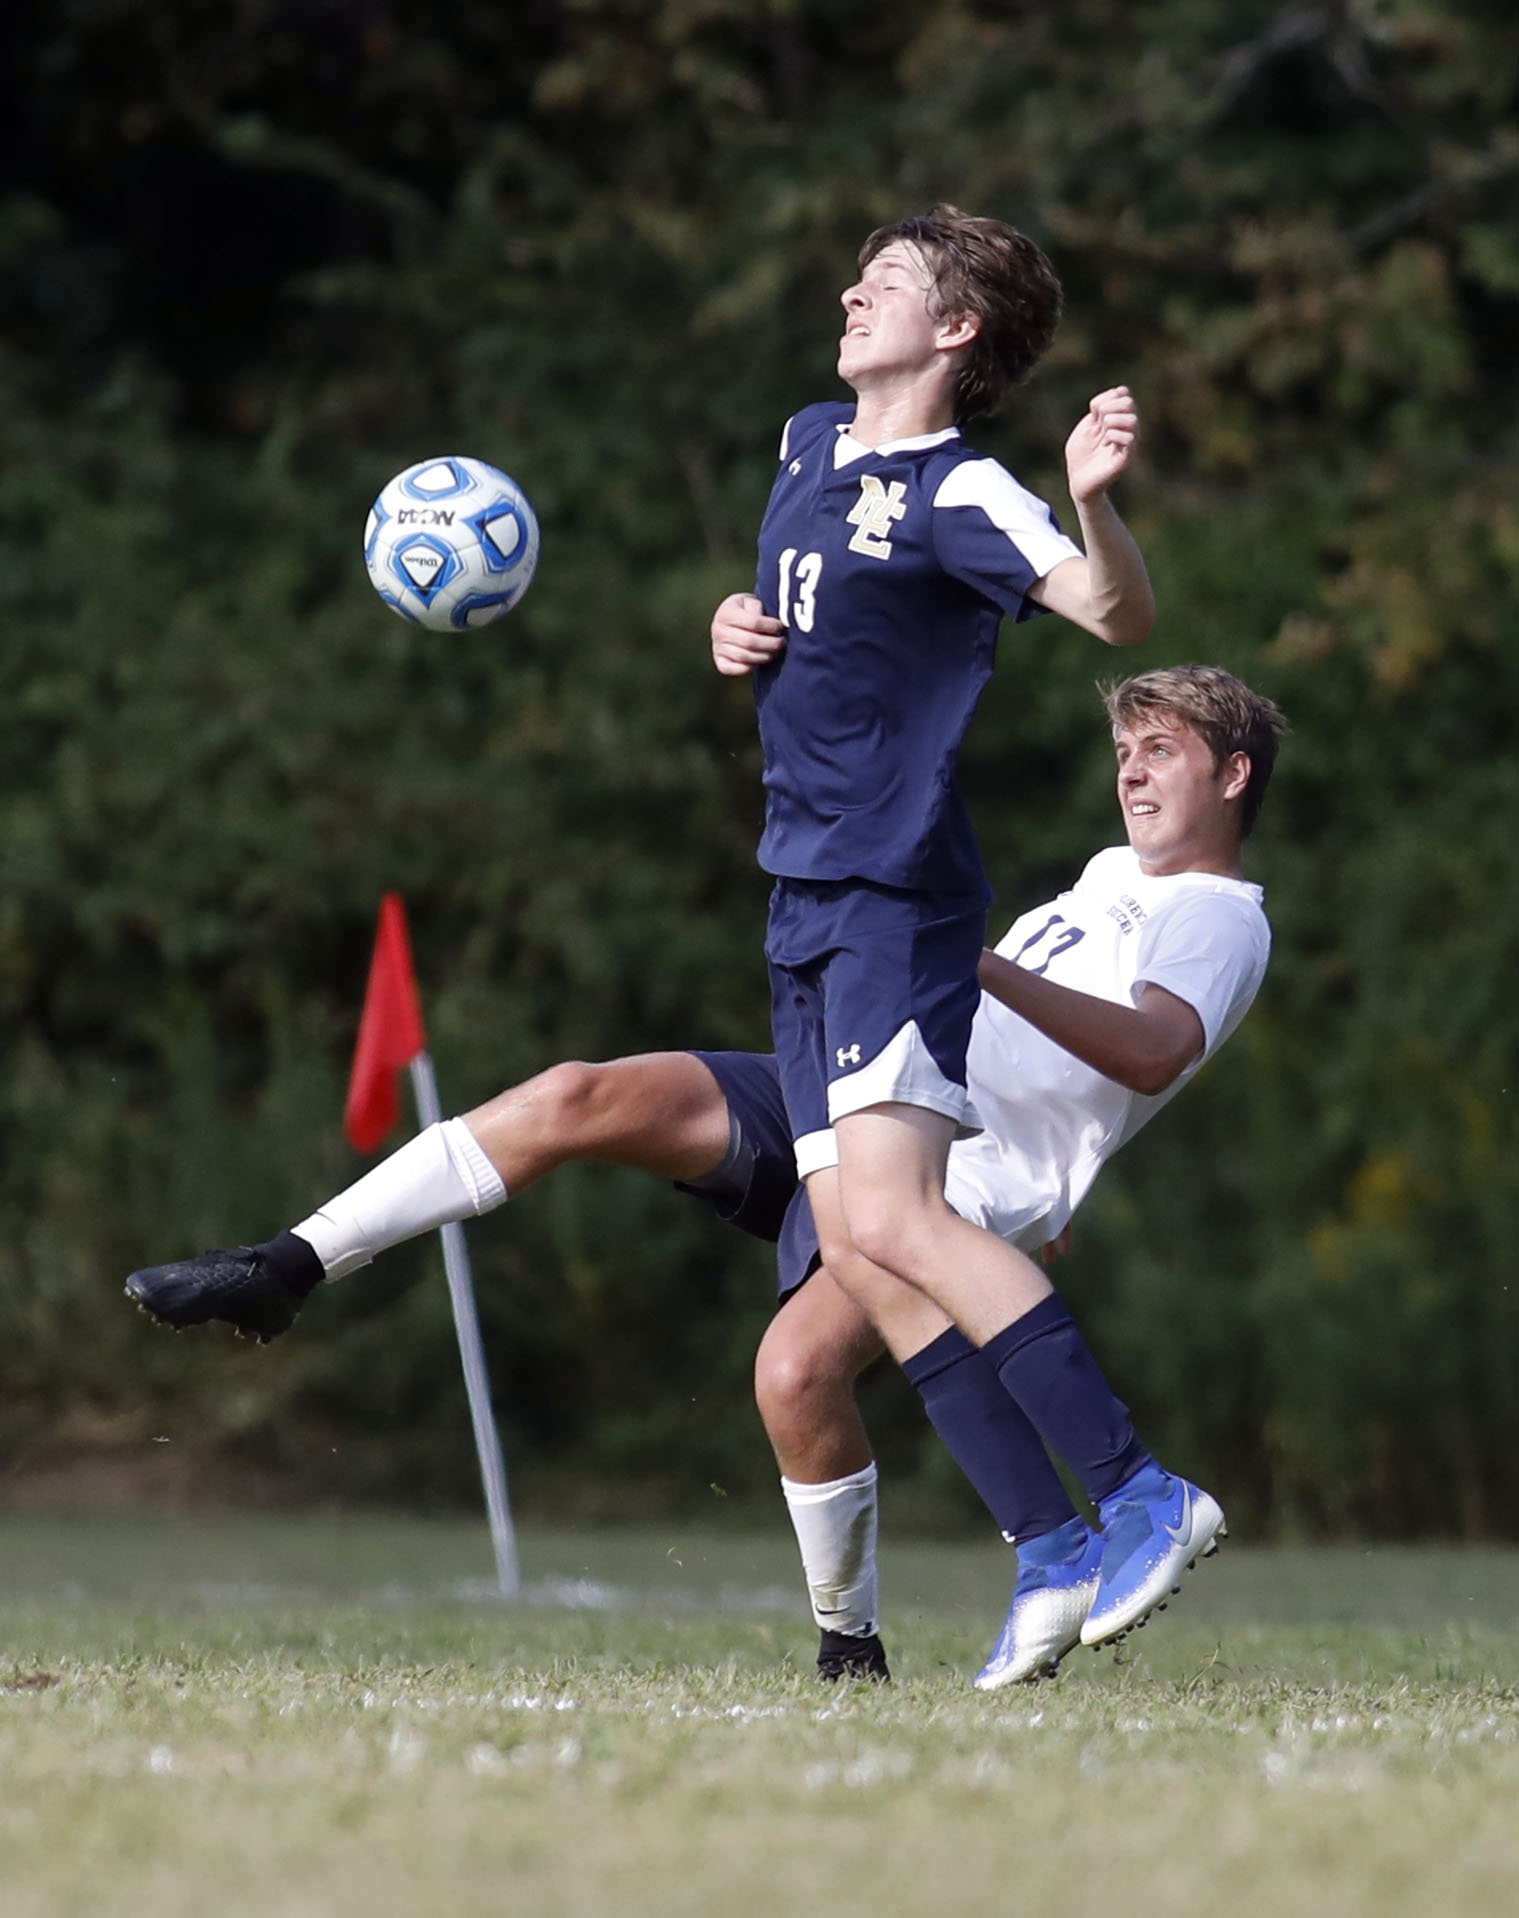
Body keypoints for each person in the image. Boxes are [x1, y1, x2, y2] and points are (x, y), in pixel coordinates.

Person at [125, 665, 1284, 1689]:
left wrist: (972, 966)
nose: (1131, 772)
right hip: (868, 1086)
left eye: (1161, 751)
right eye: (1124, 749)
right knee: (578, 1095)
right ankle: (288, 1263)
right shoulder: (1108, 872)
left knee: (791, 1377)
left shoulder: (1220, 917)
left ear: (1233, 775)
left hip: (953, 1162)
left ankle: (878, 1637)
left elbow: (1151, 1051)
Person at [708, 202, 1217, 1668]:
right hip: (800, 893)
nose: (847, 296)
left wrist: (1094, 501)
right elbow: (803, 614)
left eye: (883, 282)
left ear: (953, 328)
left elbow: (1111, 613)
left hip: (893, 891)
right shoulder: (808, 441)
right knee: (863, 1246)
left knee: (903, 1220)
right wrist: (738, 625)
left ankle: (1141, 1493)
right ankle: (1049, 1545)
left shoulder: (962, 488)